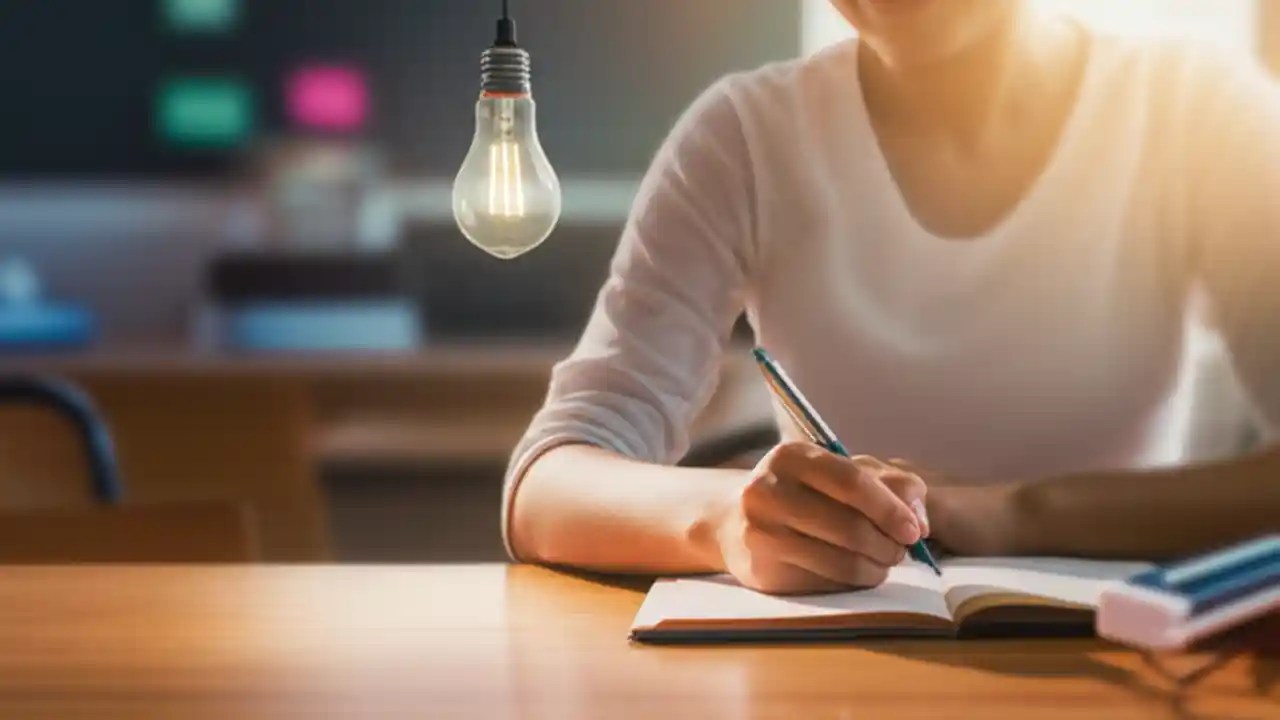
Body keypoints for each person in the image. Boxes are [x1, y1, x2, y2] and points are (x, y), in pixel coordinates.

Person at [503, 0, 1280, 594]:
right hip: (841, 673)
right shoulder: (746, 138)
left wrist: (1005, 515)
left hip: (1119, 665)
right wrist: (728, 522)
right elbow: (548, 485)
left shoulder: (1195, 110)